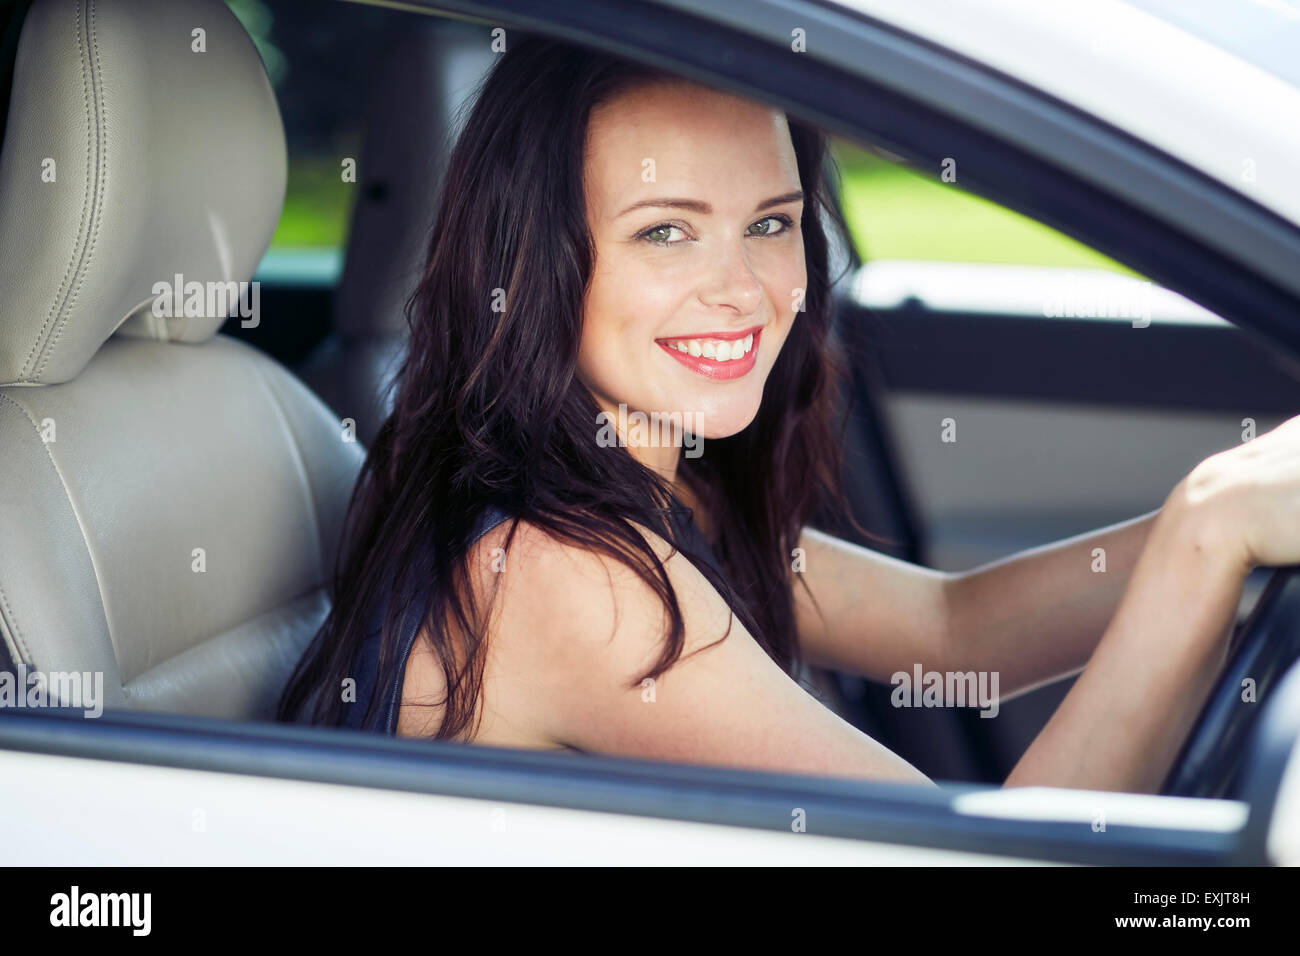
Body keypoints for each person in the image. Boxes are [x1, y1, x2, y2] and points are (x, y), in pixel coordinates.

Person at [278, 34, 1298, 792]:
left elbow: (948, 631)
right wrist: (1207, 534)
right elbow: (977, 863)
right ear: (536, 267)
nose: (744, 288)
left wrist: (1224, 524)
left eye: (770, 222)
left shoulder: (644, 482)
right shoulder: (563, 575)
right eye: (666, 231)